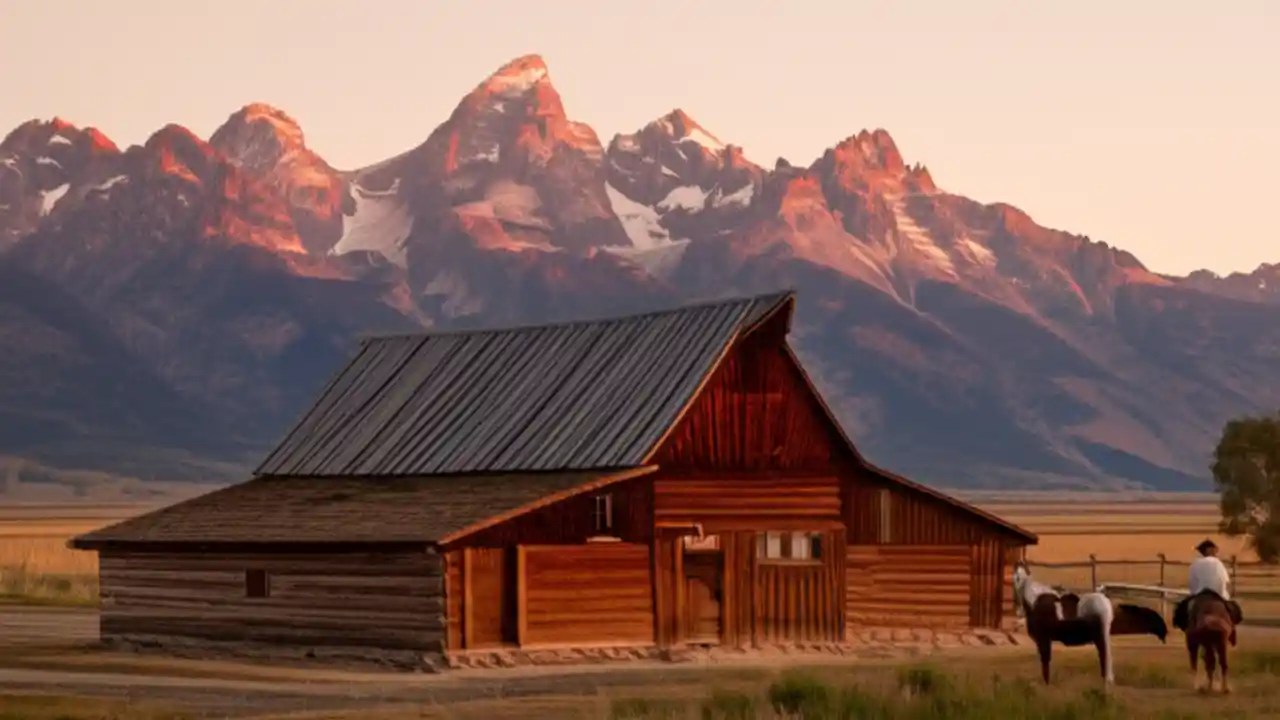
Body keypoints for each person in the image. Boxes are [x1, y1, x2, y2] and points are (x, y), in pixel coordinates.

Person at [1172, 538, 1242, 632]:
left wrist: (1194, 593)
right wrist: (1224, 594)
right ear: (1210, 550)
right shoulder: (1218, 563)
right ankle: (1232, 631)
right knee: (1235, 611)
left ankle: (1188, 631)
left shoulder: (1195, 564)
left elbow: (1192, 583)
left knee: (1181, 611)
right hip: (1219, 593)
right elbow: (1225, 581)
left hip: (1200, 593)